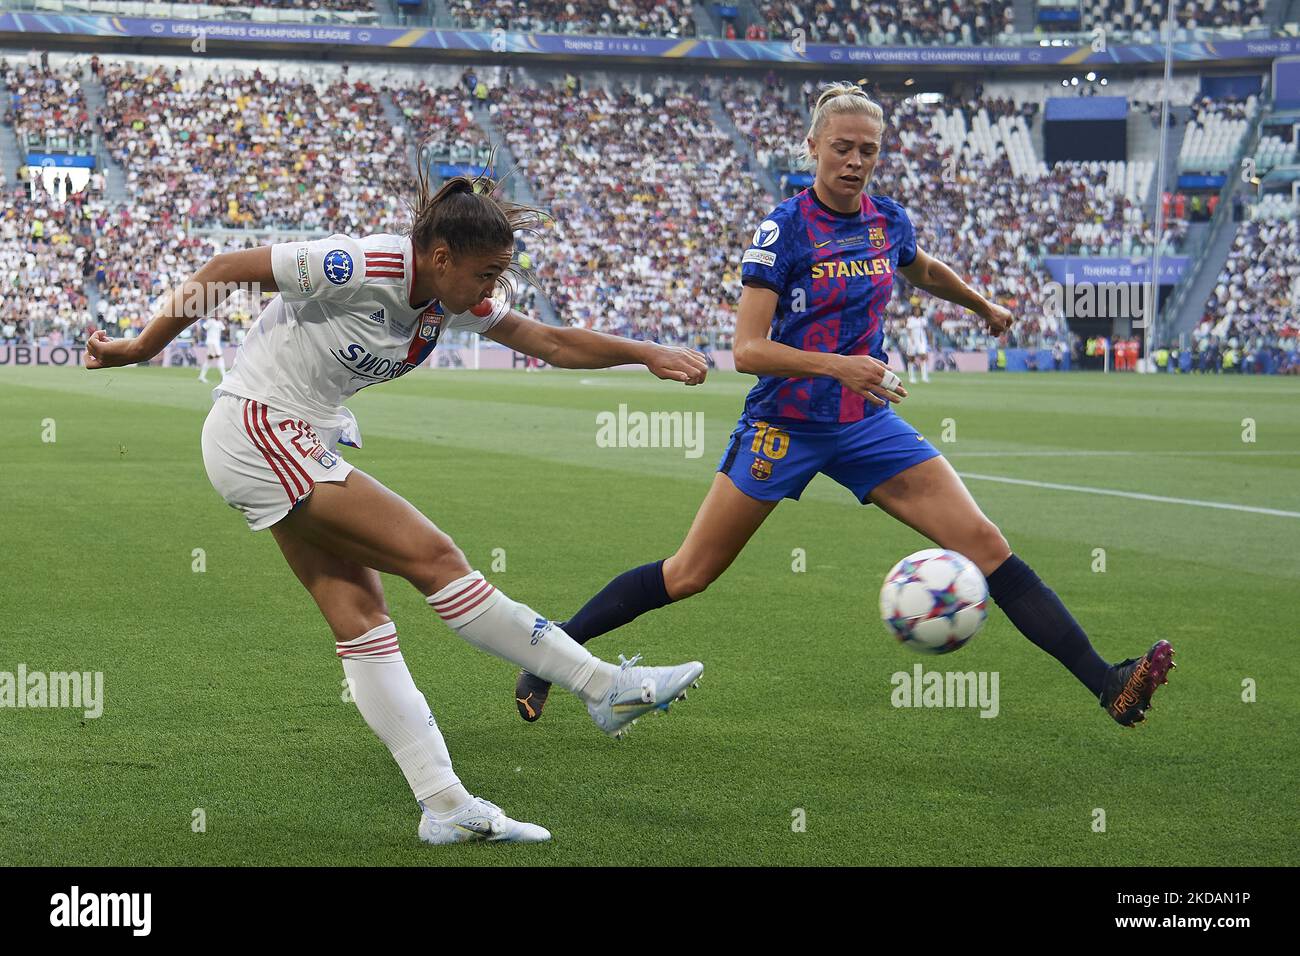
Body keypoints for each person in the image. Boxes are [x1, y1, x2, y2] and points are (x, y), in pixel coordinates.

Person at [512, 82, 1174, 730]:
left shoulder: (887, 221)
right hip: (784, 425)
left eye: (868, 151)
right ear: (813, 147)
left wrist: (982, 305)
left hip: (864, 425)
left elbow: (921, 267)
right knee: (690, 573)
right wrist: (842, 367)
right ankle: (548, 653)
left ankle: (1109, 684)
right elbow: (747, 350)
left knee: (988, 547)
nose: (855, 161)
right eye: (842, 148)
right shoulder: (785, 230)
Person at [84, 166, 710, 846]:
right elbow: (230, 265)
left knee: (362, 620)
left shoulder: (449, 297)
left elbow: (548, 341)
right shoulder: (363, 263)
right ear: (440, 258)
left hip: (289, 436)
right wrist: (139, 346)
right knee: (434, 558)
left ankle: (443, 804)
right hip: (258, 427)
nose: (492, 289)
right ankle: (601, 687)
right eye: (487, 274)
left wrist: (643, 352)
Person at [905, 310, 931, 384]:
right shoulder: (911, 319)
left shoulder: (923, 319)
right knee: (911, 358)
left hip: (922, 340)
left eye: (918, 310)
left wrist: (929, 340)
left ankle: (924, 377)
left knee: (923, 357)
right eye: (916, 310)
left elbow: (926, 329)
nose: (917, 312)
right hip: (913, 340)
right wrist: (910, 339)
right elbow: (908, 329)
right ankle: (912, 377)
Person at [198, 315, 225, 383]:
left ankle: (201, 376)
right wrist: (208, 319)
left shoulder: (219, 322)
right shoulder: (210, 321)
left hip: (216, 344)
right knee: (219, 358)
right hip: (212, 343)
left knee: (209, 360)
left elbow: (224, 329)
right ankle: (224, 376)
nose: (220, 316)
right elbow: (204, 327)